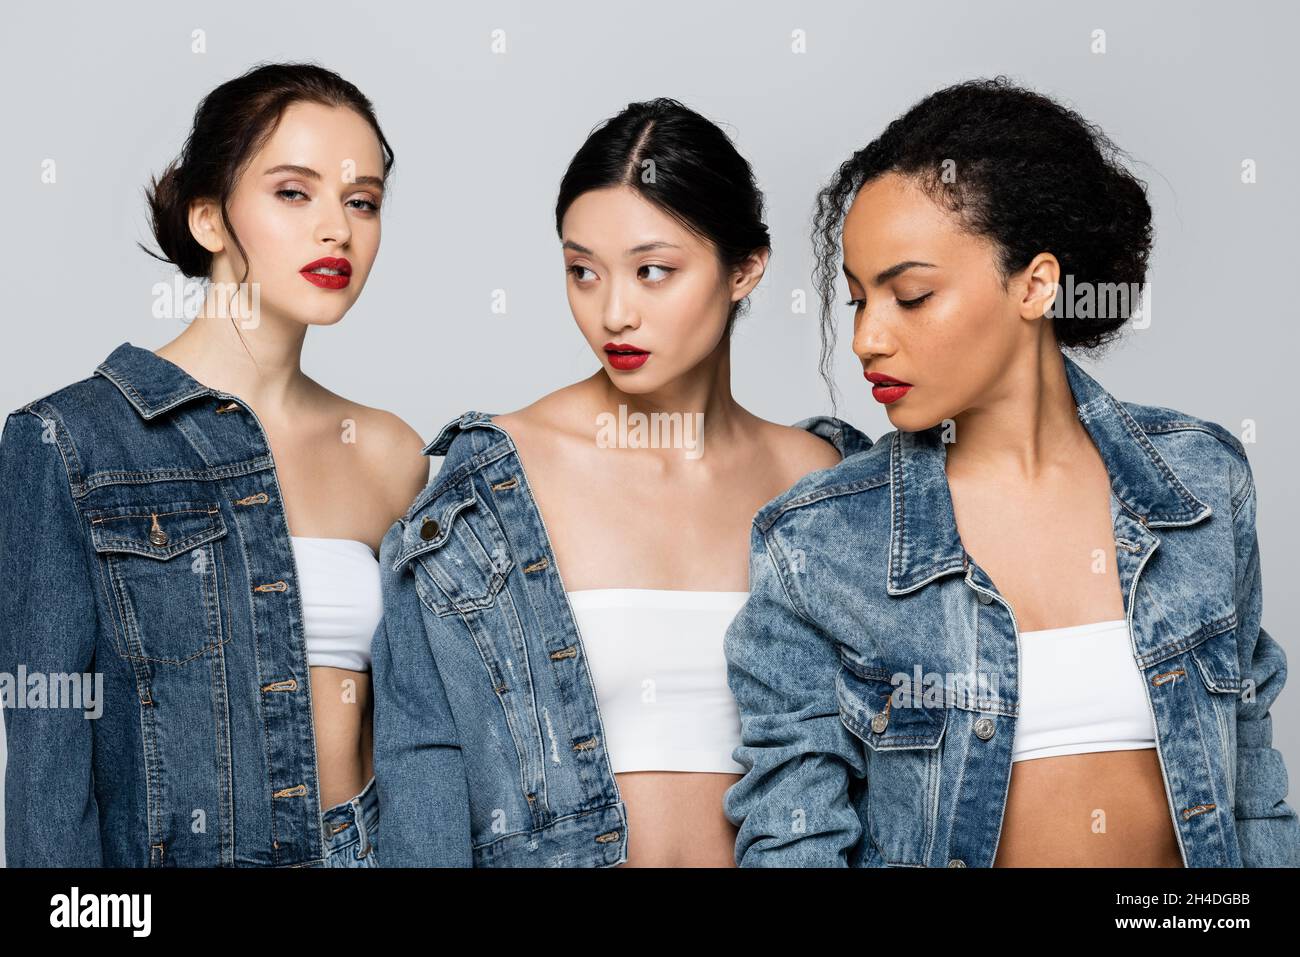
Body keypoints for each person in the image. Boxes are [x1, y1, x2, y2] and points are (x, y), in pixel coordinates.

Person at [723, 76, 1300, 867]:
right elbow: (794, 837)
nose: (867, 339)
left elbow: (1251, 792)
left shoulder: (1200, 482)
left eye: (912, 295)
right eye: (859, 300)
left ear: (1036, 283)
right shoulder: (818, 544)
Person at [372, 97, 869, 866]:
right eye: (583, 271)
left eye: (653, 271)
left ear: (745, 269)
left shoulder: (825, 480)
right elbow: (423, 756)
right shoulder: (490, 484)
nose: (613, 312)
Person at [0, 62, 424, 866]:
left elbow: (424, 739)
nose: (336, 228)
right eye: (293, 193)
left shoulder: (390, 454)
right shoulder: (69, 443)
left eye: (361, 200)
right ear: (208, 218)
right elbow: (45, 793)